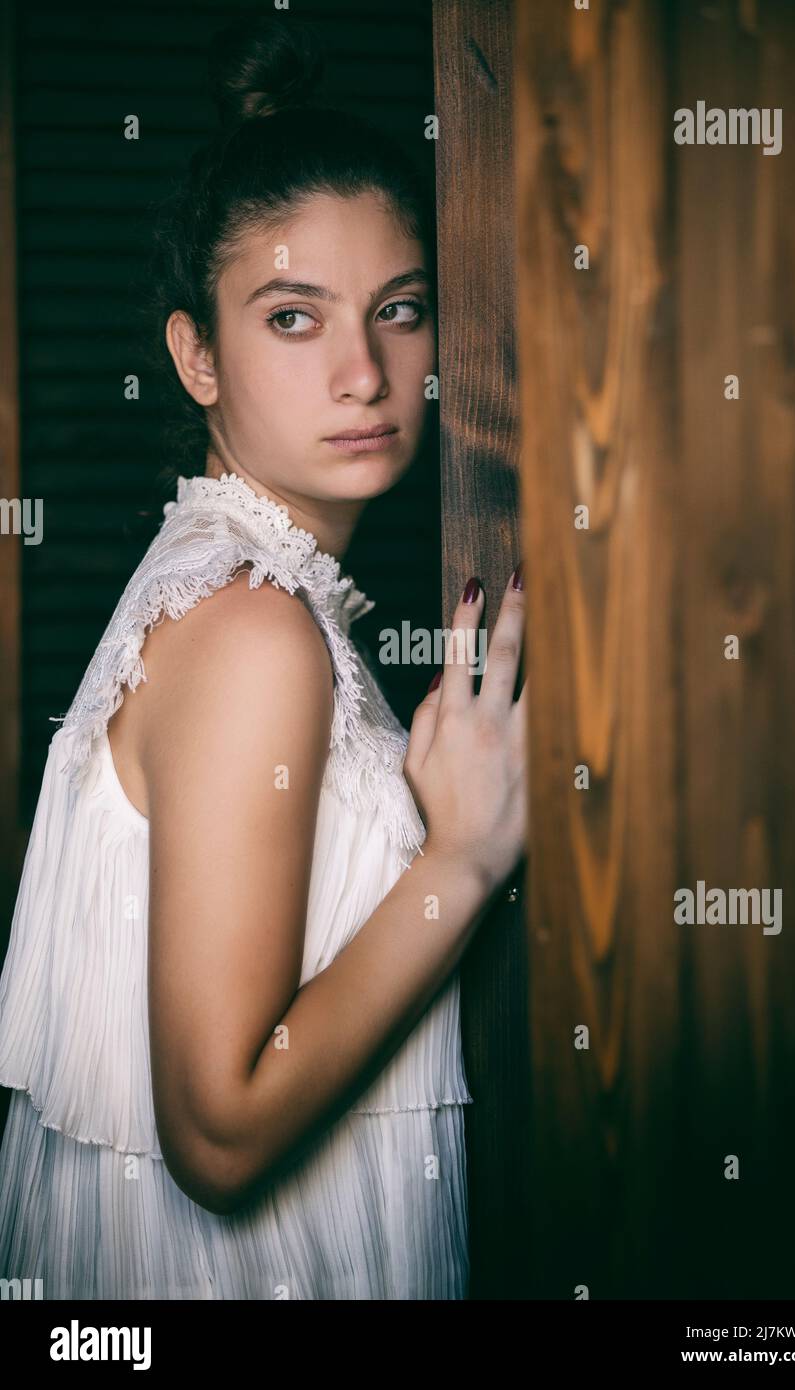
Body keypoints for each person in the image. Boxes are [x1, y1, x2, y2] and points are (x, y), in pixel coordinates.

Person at [0, 15, 527, 1299]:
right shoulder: (249, 625)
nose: (364, 373)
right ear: (195, 356)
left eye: (399, 312)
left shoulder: (239, 591)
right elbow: (220, 1136)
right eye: (294, 318)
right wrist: (459, 862)